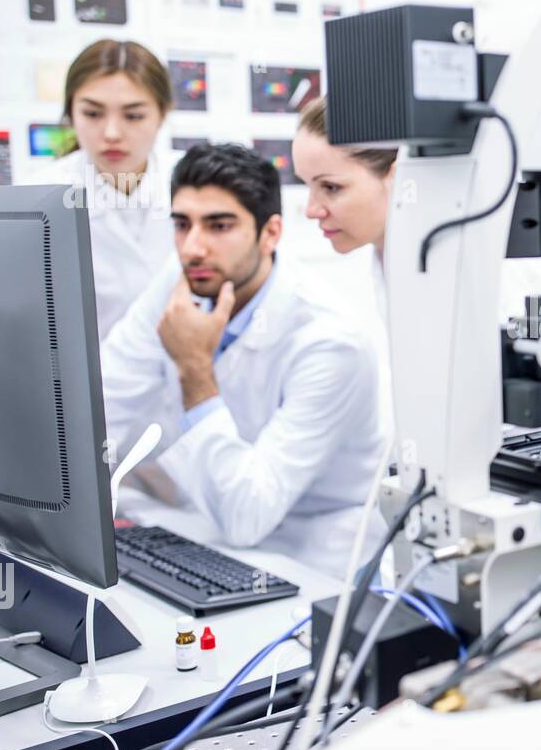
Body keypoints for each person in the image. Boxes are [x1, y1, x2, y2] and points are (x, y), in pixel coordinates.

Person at [99, 143, 385, 575]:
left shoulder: (331, 342)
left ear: (270, 233)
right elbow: (101, 404)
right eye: (182, 224)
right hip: (213, 533)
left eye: (219, 225)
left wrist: (194, 368)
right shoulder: (184, 281)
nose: (192, 248)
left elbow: (247, 515)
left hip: (314, 559)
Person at [289, 96, 541, 433]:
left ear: (398, 176)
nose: (311, 209)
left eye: (331, 188)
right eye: (307, 186)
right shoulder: (360, 274)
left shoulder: (492, 264)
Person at [31, 39, 178, 339]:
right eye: (93, 114)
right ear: (71, 113)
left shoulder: (198, 184)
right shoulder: (37, 201)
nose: (111, 133)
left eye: (133, 115)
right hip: (91, 384)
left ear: (162, 114)